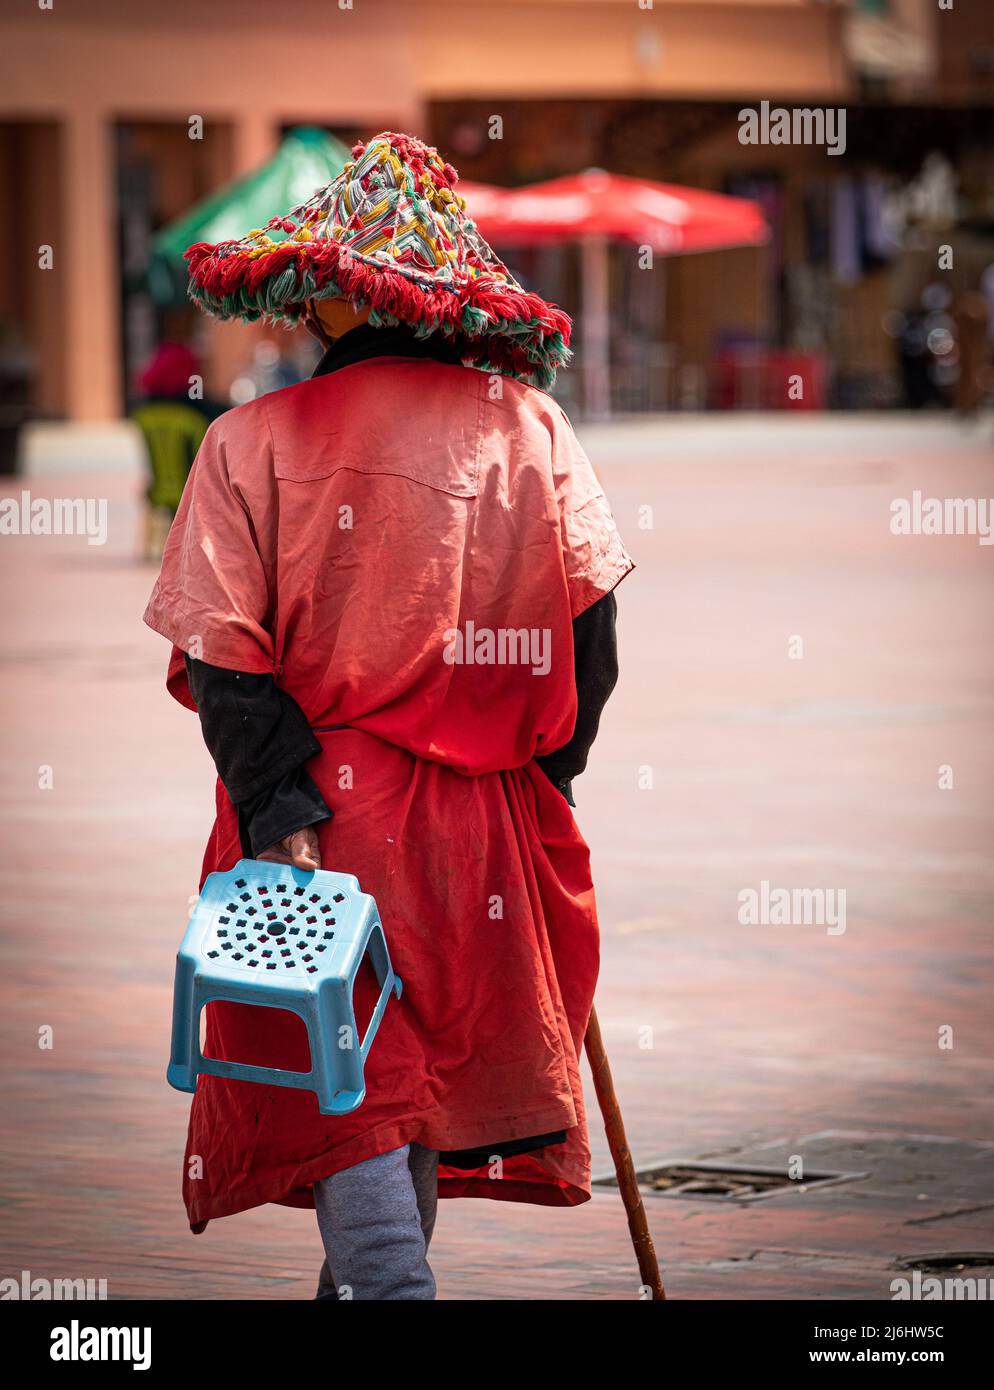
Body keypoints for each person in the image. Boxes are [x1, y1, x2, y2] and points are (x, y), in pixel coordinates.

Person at [144, 131, 633, 1300]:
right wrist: (541, 775)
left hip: (323, 822)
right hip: (483, 826)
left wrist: (279, 802)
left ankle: (389, 1287)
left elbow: (224, 657)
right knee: (404, 1084)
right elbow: (590, 639)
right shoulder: (531, 428)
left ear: (332, 289)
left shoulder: (247, 442)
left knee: (359, 1085)